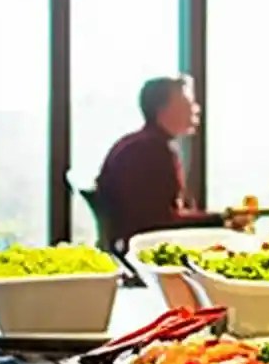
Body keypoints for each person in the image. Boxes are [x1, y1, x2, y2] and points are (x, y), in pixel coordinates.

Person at [96, 75, 230, 248]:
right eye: (186, 102)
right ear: (163, 110)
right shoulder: (149, 151)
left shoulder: (136, 144)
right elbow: (159, 221)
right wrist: (221, 220)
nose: (195, 108)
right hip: (141, 249)